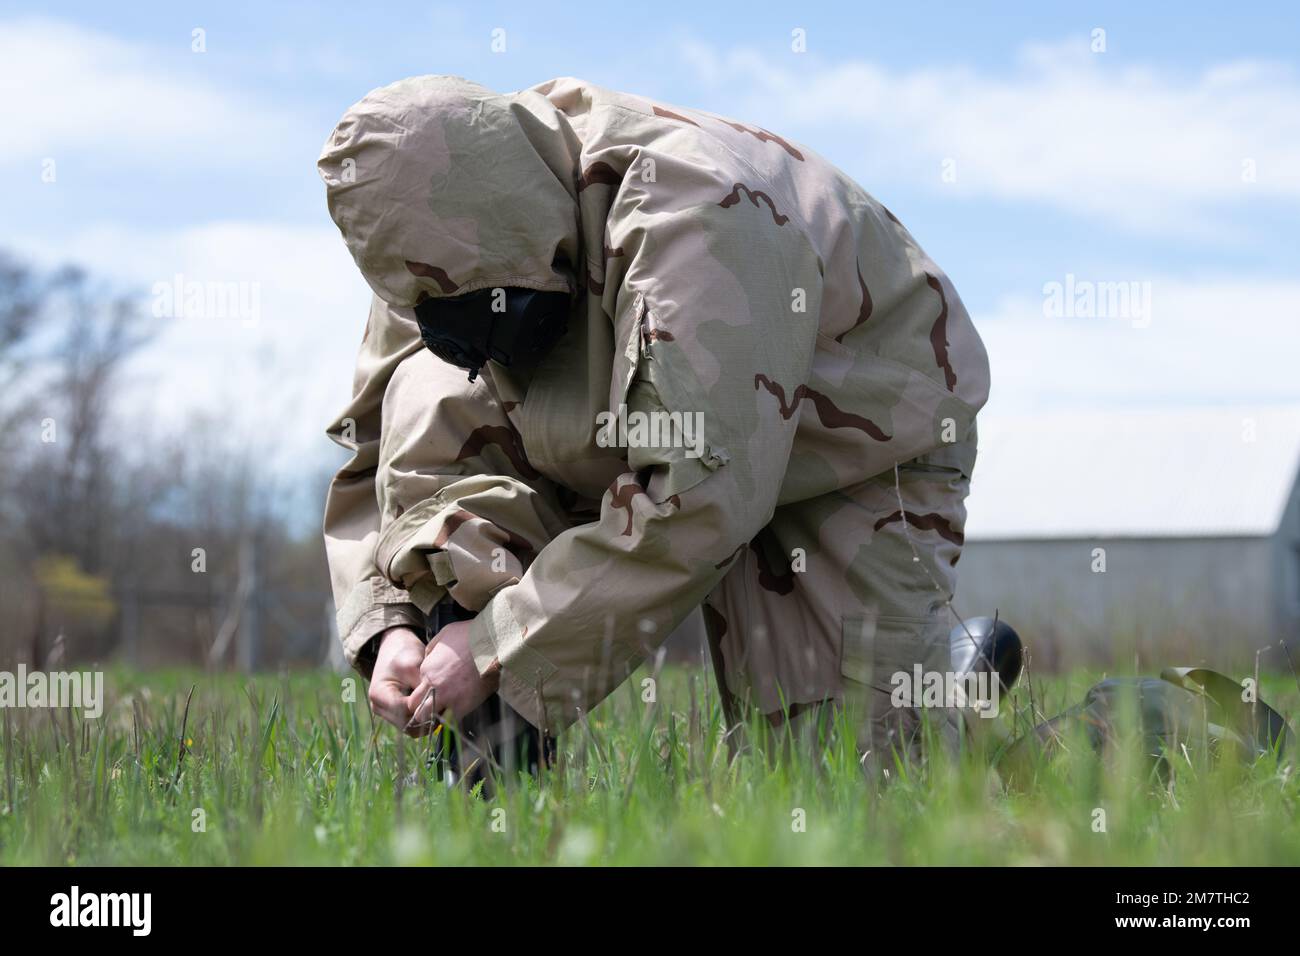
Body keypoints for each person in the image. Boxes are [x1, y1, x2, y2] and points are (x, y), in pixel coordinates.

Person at [318, 75, 990, 769]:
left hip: (841, 448)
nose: (468, 339)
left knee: (849, 786)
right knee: (428, 394)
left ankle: (1049, 722)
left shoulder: (693, 214)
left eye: (495, 303)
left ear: (521, 219)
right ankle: (489, 757)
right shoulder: (431, 246)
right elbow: (373, 450)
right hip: (626, 418)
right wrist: (396, 628)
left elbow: (696, 502)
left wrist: (497, 645)